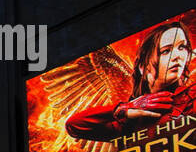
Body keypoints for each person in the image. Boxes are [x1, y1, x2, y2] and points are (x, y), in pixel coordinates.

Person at [65, 21, 193, 141]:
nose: (178, 56)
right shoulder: (131, 120)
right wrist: (124, 108)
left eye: (182, 47)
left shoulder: (191, 97)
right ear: (143, 67)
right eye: (166, 51)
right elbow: (74, 125)